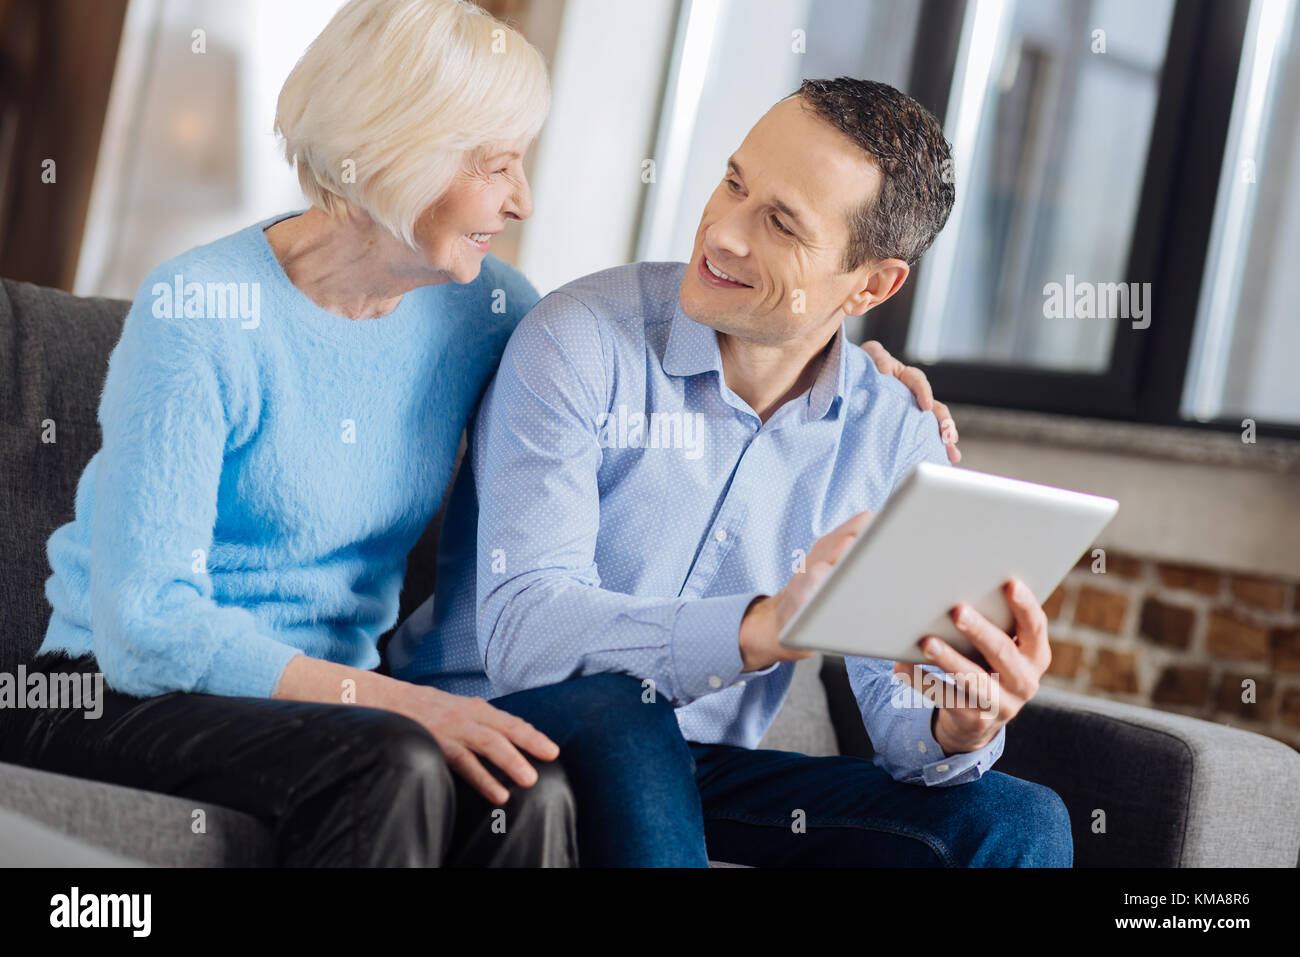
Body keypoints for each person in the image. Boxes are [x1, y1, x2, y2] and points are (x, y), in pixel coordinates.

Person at [0, 1, 952, 867]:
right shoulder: (199, 314)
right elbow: (146, 628)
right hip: (111, 689)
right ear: (393, 152)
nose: (524, 200)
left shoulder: (485, 311)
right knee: (406, 763)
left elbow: (643, 342)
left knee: (525, 787)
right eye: (496, 164)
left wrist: (863, 364)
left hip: (320, 701)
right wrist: (400, 703)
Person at [390, 77, 1073, 867]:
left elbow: (896, 716)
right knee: (626, 711)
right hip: (493, 731)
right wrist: (765, 625)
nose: (723, 233)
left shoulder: (892, 433)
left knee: (1014, 819)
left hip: (697, 773)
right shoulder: (580, 339)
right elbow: (524, 633)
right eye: (734, 182)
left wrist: (959, 720)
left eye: (781, 223)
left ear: (873, 283)